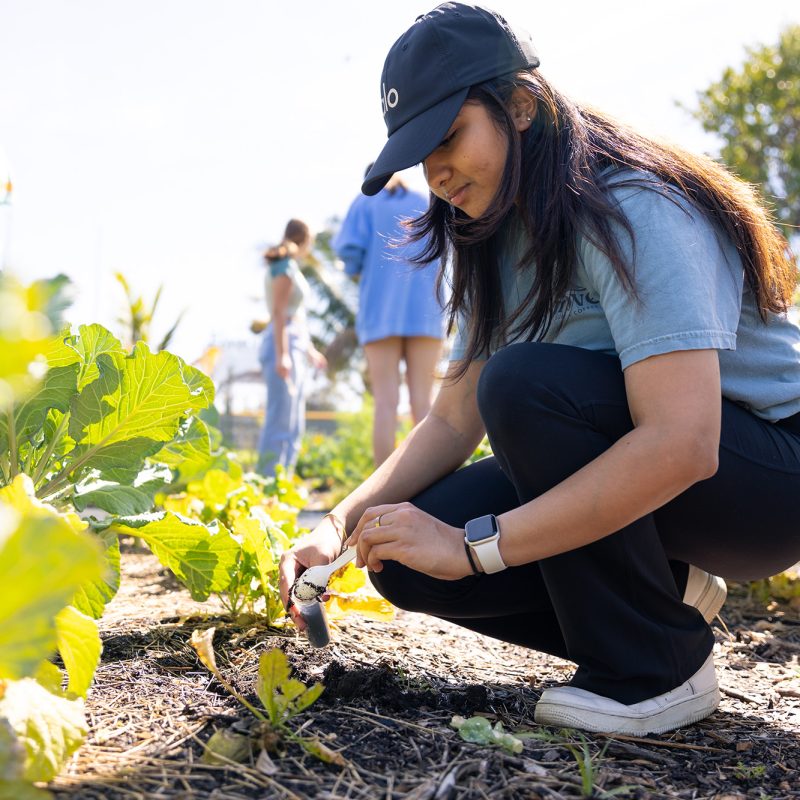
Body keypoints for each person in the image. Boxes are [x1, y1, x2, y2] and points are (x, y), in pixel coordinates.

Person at [279, 3, 800, 736]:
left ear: (521, 106)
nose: (436, 173)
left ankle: (655, 668)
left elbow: (684, 442)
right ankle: (662, 597)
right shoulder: (496, 237)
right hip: (676, 469)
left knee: (525, 386)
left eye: (448, 137)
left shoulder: (632, 207)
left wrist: (475, 549)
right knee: (401, 553)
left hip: (772, 477)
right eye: (419, 154)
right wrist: (337, 525)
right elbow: (451, 418)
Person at [334, 169, 446, 465]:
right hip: (426, 310)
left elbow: (349, 254)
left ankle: (383, 491)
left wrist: (360, 271)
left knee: (386, 402)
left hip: (379, 311)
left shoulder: (366, 201)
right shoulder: (424, 199)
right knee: (423, 402)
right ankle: (430, 480)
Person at [257, 218, 326, 478]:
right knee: (280, 421)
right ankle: (266, 483)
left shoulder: (291, 266)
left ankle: (282, 483)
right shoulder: (284, 266)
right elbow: (279, 313)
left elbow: (295, 317)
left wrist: (310, 351)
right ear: (305, 239)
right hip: (281, 343)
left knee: (294, 424)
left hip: (294, 343)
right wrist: (283, 355)